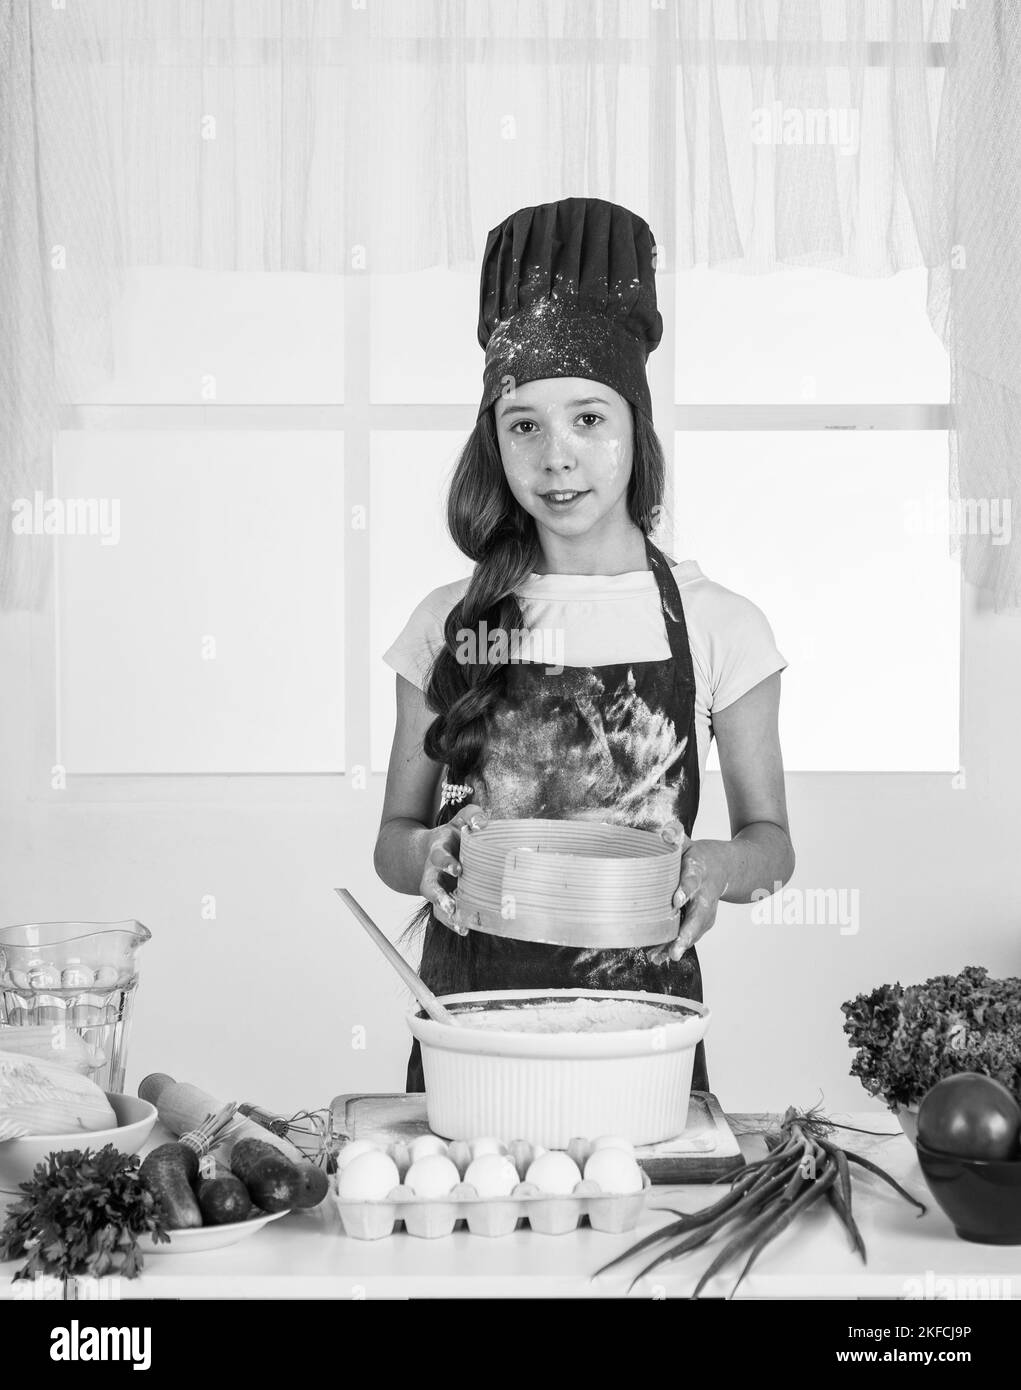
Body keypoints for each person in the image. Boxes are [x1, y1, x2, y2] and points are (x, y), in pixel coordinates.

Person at [374, 196, 795, 1094]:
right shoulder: (448, 620)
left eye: (588, 420)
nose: (555, 457)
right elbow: (390, 844)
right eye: (523, 424)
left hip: (643, 1029)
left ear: (634, 428)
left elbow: (772, 847)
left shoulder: (721, 623)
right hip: (470, 1030)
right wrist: (428, 857)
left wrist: (720, 865)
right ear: (493, 440)